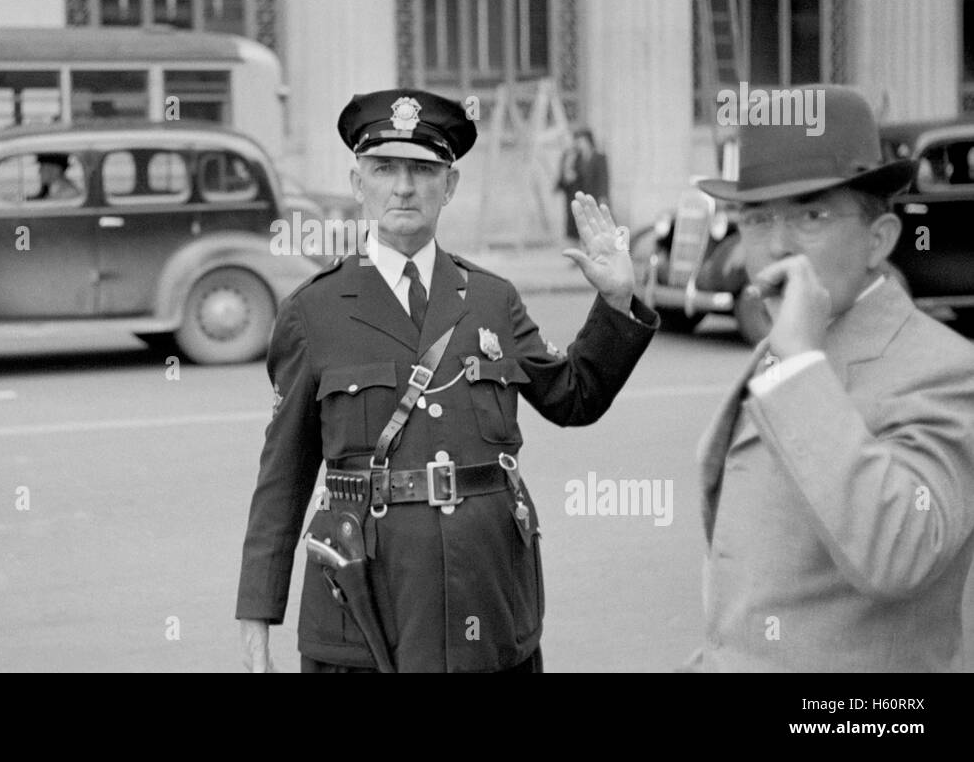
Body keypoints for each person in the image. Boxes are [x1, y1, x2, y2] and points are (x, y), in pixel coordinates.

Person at [236, 89, 659, 673]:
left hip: (485, 593)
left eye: (423, 170)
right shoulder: (313, 312)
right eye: (384, 168)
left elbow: (573, 397)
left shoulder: (491, 298)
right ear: (358, 183)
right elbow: (283, 478)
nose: (403, 187)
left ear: (450, 186)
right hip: (366, 603)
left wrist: (616, 300)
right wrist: (257, 616)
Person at [687, 84, 974, 672]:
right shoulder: (792, 344)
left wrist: (798, 367)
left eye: (812, 216)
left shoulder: (945, 370)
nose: (778, 248)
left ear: (879, 240)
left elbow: (900, 552)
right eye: (757, 218)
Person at [554, 129, 609, 241]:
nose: (579, 144)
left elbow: (603, 178)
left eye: (581, 141)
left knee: (596, 225)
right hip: (580, 197)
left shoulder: (599, 157)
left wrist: (603, 196)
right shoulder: (575, 158)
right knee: (580, 228)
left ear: (588, 141)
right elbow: (568, 177)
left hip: (594, 196)